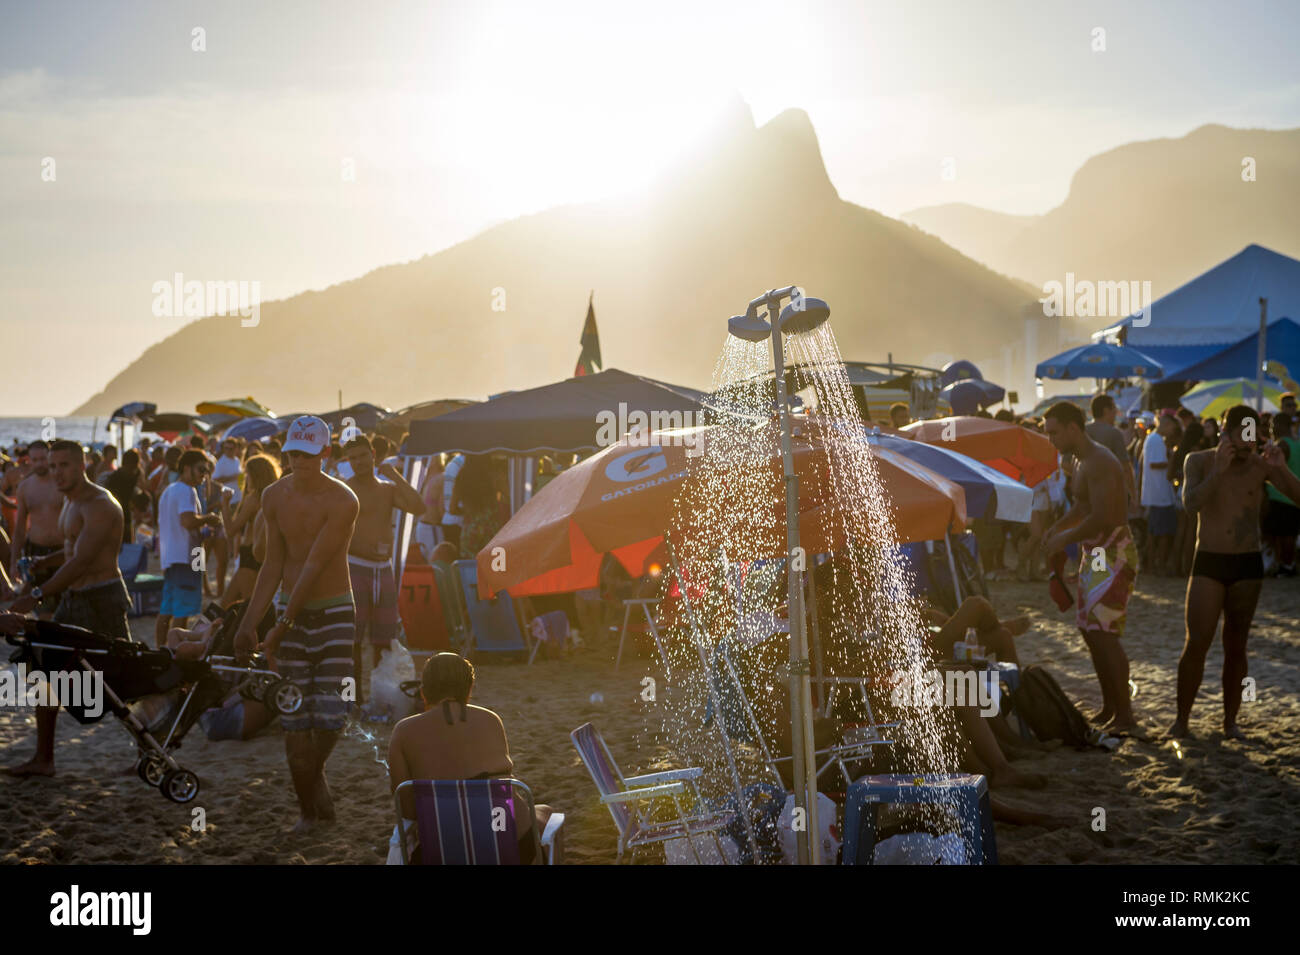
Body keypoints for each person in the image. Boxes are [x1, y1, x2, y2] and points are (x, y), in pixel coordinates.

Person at [233, 415, 359, 834]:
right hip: (291, 611)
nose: (299, 461)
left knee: (329, 716)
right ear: (285, 453)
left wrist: (281, 624)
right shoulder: (272, 496)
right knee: (293, 717)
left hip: (335, 611)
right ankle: (310, 811)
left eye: (308, 453)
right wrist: (249, 622)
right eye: (292, 453)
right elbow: (273, 564)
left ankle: (313, 779)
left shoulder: (343, 500)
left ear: (324, 453)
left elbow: (313, 565)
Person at [4, 440, 131, 777]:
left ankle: (155, 747)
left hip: (101, 600)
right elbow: (72, 550)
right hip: (74, 601)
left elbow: (83, 561)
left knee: (123, 680)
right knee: (43, 667)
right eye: (53, 465)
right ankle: (44, 759)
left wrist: (36, 595)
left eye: (64, 465)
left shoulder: (100, 505)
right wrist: (46, 560)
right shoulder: (70, 503)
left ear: (82, 465)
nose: (57, 472)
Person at [1172, 406, 1300, 739]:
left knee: (1237, 646)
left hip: (1247, 563)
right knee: (1196, 643)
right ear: (1225, 433)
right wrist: (1218, 471)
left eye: (1253, 437)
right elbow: (1190, 504)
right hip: (1209, 560)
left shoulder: (1262, 465)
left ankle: (1231, 721)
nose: (1248, 446)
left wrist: (1281, 469)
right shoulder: (1198, 461)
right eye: (1242, 437)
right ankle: (1181, 720)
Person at [387, 653, 555, 864]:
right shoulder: (490, 720)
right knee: (546, 812)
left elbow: (408, 811)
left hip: (441, 851)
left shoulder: (403, 731)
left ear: (424, 692)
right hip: (508, 846)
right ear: (469, 688)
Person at [1041, 401, 1140, 735]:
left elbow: (1104, 516)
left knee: (1104, 632)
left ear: (1073, 428)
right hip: (1097, 553)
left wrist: (1065, 536)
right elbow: (1084, 505)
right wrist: (1058, 528)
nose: (1051, 439)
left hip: (1113, 551)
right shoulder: (1081, 460)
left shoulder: (1098, 460)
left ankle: (1125, 714)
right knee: (1089, 628)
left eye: (1054, 432)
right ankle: (1111, 706)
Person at [343, 434, 425, 689]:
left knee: (384, 637)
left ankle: (381, 694)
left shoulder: (387, 488)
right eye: (353, 458)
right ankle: (354, 699)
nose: (359, 462)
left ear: (373, 455)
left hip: (383, 569)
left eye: (363, 456)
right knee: (353, 639)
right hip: (355, 566)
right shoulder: (346, 489)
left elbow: (418, 507)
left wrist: (395, 475)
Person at [155, 450, 223, 647]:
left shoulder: (169, 489)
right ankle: (175, 653)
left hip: (172, 557)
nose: (205, 474)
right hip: (187, 557)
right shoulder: (187, 490)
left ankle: (161, 650)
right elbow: (187, 521)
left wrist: (202, 530)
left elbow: (179, 525)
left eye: (207, 470)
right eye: (201, 469)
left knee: (167, 609)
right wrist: (209, 518)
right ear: (186, 468)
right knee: (182, 612)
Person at [9, 440, 66, 617]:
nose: (40, 463)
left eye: (43, 459)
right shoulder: (25, 487)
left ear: (49, 458)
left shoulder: (62, 484)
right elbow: (20, 528)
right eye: (35, 460)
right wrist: (13, 562)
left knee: (66, 603)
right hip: (36, 550)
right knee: (42, 608)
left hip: (61, 550)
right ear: (29, 461)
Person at [219, 454, 280, 606]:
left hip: (249, 555)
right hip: (263, 554)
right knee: (227, 603)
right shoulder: (274, 496)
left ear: (256, 476)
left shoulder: (254, 499)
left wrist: (225, 504)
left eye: (248, 474)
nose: (246, 478)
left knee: (249, 607)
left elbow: (231, 530)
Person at [1140, 414, 1180, 575]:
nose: (1172, 432)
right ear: (1167, 424)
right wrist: (1173, 460)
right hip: (1160, 494)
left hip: (1156, 493)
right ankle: (1158, 565)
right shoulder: (1156, 440)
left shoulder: (1153, 439)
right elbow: (1155, 464)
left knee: (1154, 532)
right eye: (1172, 428)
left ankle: (1152, 564)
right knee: (1162, 534)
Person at [1262, 412, 1300, 576]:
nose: (1271, 428)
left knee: (1284, 535)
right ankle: (1285, 564)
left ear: (1282, 425)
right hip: (1292, 495)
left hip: (1281, 496)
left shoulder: (1282, 445)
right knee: (1287, 533)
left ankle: (1286, 565)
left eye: (1273, 424)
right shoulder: (1296, 443)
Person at [1087, 395, 1136, 508]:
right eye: (1114, 408)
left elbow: (1066, 464)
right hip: (1110, 493)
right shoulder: (1114, 433)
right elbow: (1125, 467)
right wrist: (1133, 495)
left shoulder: (1083, 432)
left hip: (1087, 495)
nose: (1116, 412)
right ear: (1106, 410)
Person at [104, 448, 146, 544]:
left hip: (126, 515)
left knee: (127, 543)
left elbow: (143, 489)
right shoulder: (115, 478)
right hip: (117, 515)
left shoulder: (134, 474)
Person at [440, 452, 466, 547]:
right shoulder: (464, 464)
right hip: (458, 522)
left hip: (449, 519)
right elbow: (453, 507)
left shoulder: (453, 462)